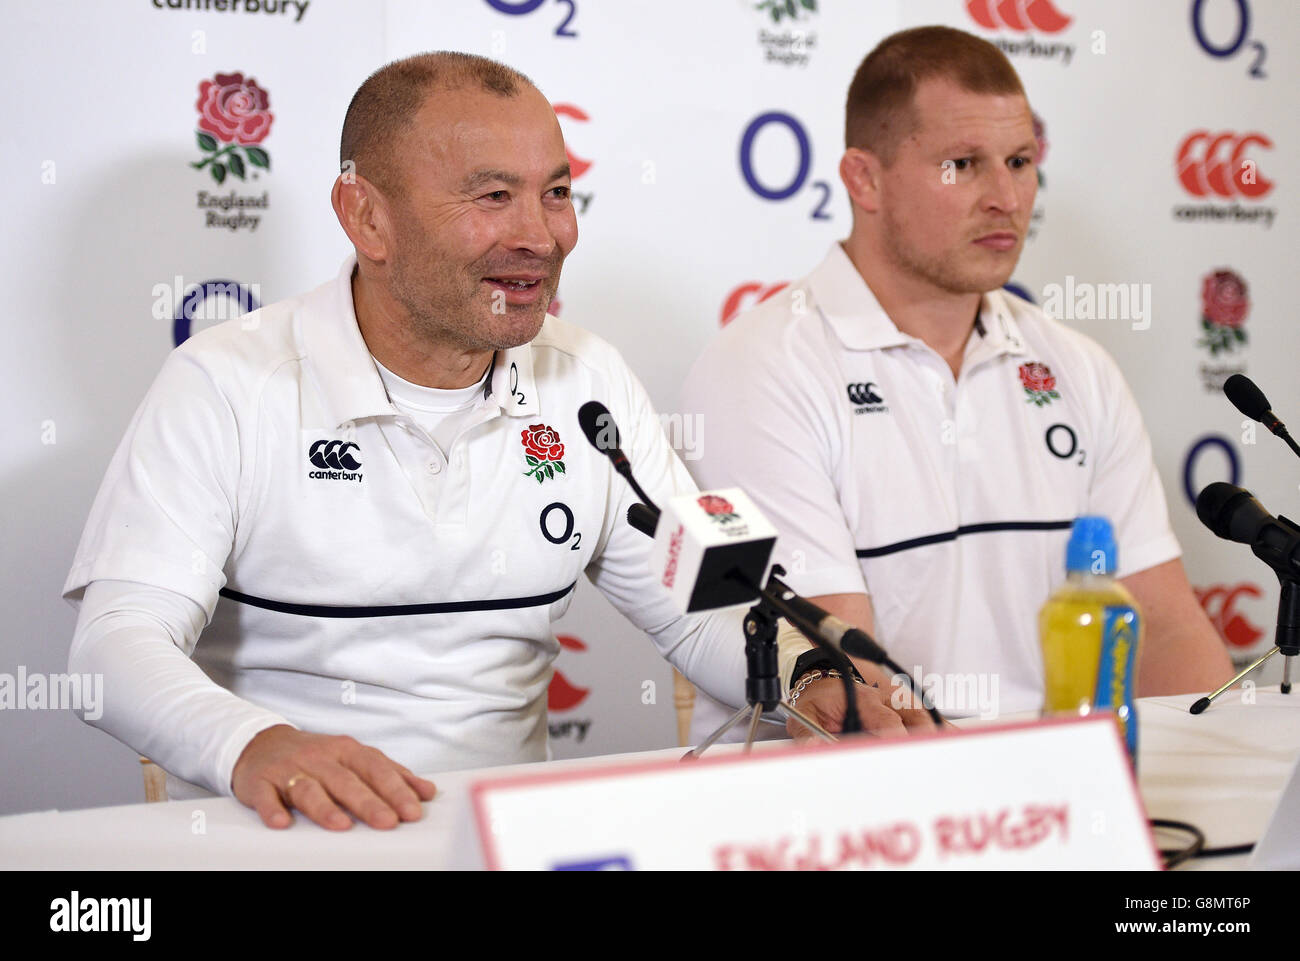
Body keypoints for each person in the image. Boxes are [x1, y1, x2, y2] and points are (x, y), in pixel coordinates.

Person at [64, 52, 906, 832]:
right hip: (282, 842)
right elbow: (114, 644)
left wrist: (809, 675)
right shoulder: (225, 382)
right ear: (367, 216)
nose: (542, 237)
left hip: (500, 843)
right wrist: (254, 745)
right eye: (492, 197)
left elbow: (700, 613)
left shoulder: (589, 381)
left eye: (556, 192)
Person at [680, 26, 1233, 735]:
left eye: (1021, 160)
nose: (1007, 196)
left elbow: (1161, 626)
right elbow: (845, 682)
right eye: (964, 164)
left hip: (1058, 800)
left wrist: (1221, 772)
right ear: (864, 179)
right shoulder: (759, 368)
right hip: (867, 816)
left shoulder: (1080, 367)